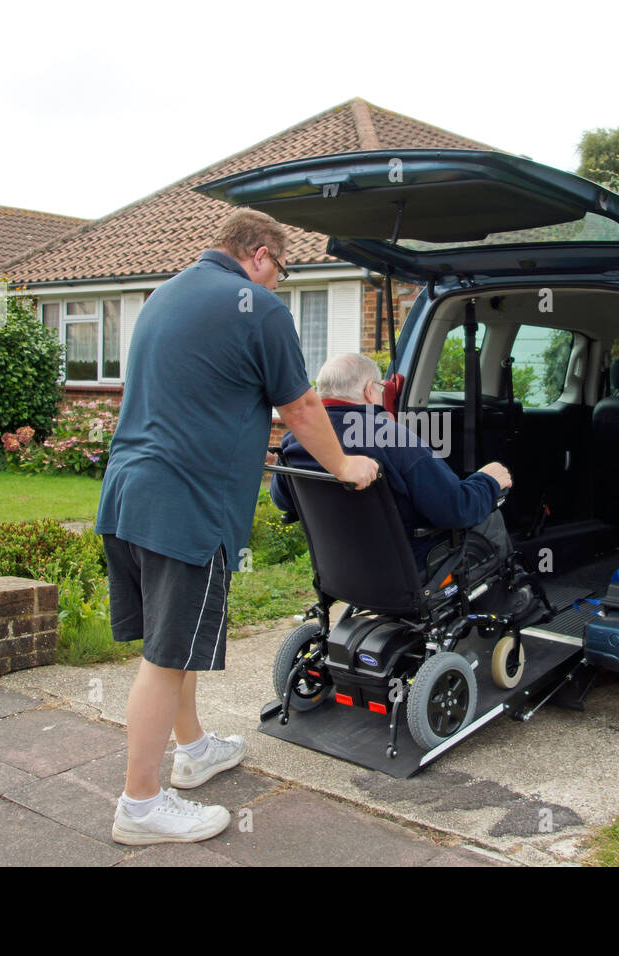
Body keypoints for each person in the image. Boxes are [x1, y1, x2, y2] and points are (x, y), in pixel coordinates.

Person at [97, 210, 378, 846]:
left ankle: (193, 749)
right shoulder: (258, 307)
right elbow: (301, 404)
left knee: (174, 641)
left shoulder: (164, 293)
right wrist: (344, 464)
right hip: (185, 506)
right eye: (281, 270)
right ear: (258, 255)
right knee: (165, 658)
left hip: (128, 493)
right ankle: (140, 805)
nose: (280, 284)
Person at [270, 353, 512, 574]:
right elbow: (456, 509)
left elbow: (283, 501)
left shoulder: (297, 439)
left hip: (337, 573)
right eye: (379, 387)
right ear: (368, 390)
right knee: (490, 517)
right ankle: (509, 601)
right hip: (411, 570)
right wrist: (489, 480)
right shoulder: (393, 437)